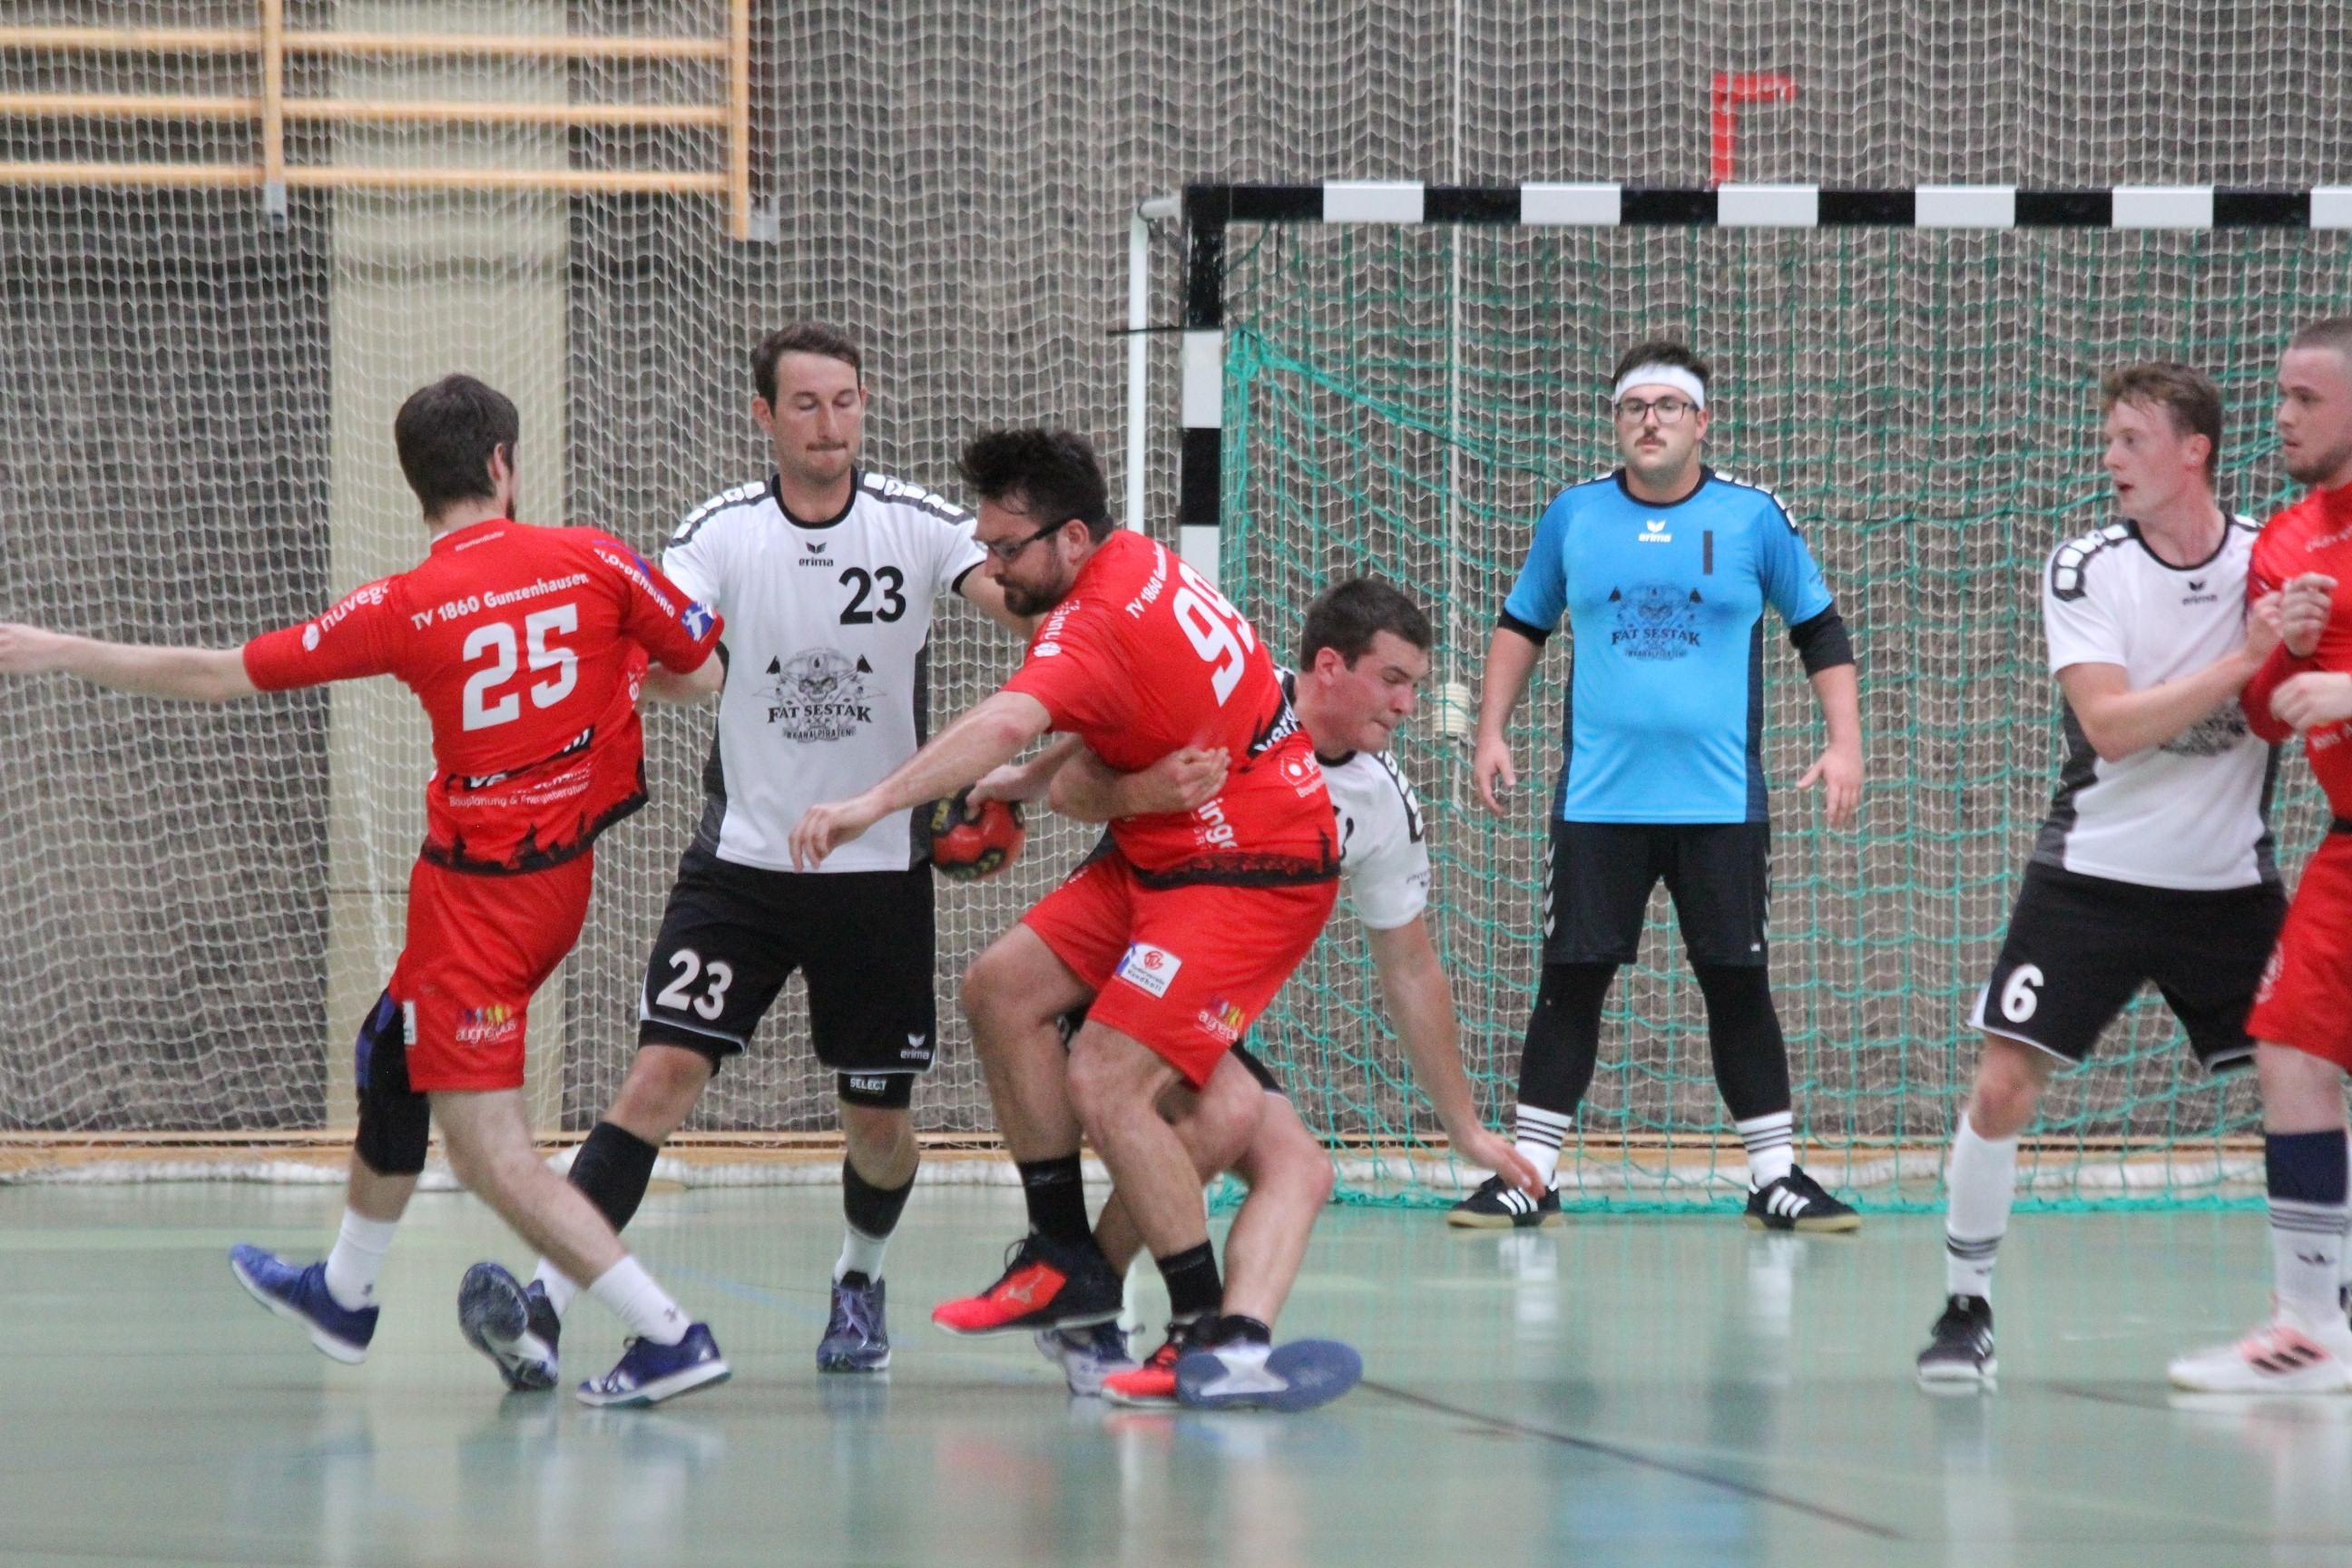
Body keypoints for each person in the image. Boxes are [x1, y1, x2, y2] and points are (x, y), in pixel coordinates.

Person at [0, 376, 729, 1406]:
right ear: (501, 464)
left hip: (485, 904)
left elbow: (215, 676)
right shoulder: (594, 556)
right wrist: (600, 676)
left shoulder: (402, 606)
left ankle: (668, 1334)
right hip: (553, 874)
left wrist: (59, 650)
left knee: (488, 1157)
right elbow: (703, 669)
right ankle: (344, 1293)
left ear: (416, 485)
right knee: (390, 1054)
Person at [458, 323, 1030, 1390]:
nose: (831, 425)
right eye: (807, 405)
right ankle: (543, 1303)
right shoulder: (719, 532)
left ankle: (859, 1282)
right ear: (764, 417)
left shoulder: (918, 526)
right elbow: (674, 647)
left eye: (847, 402)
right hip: (742, 870)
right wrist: (650, 669)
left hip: (875, 875)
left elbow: (1025, 608)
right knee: (657, 1078)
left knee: (879, 1121)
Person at [787, 427, 1344, 1402]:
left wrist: (872, 806)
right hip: (1168, 850)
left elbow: (1015, 721)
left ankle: (1209, 1333)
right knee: (999, 988)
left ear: (1074, 537)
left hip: (1248, 865)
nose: (993, 571)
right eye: (985, 547)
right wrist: (1035, 780)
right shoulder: (1136, 564)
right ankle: (1061, 1254)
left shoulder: (1090, 625)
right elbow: (1112, 739)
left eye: (1009, 551)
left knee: (1111, 1082)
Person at [995, 576, 1544, 1406]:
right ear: (1329, 666)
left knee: (1301, 1171)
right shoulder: (1231, 699)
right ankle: (1100, 1297)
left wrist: (1462, 1125)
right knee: (1223, 1116)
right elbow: (1084, 765)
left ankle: (1231, 1353)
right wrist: (1019, 781)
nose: (1405, 706)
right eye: (1392, 681)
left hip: (1206, 984)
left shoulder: (1381, 802)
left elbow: (1411, 968)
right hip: (1128, 954)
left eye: (1415, 688)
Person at [1913, 365, 2284, 1388]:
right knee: (2000, 1084)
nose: (2109, 458)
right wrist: (2242, 662)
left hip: (2231, 889)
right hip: (2091, 879)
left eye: (2130, 439)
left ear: (2192, 449)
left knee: (2309, 1088)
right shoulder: (2085, 567)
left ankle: (2313, 1306)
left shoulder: (2272, 558)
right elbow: (2111, 727)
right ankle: (1965, 1310)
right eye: (2108, 438)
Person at [1467, 338, 1864, 1232]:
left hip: (1721, 804)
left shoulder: (1755, 518)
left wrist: (1846, 742)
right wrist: (1490, 729)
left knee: (1737, 982)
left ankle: (1776, 1178)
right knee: (1570, 978)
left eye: (1669, 406)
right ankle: (1531, 1173)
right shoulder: (1573, 516)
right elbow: (1521, 622)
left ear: (1701, 422)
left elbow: (1821, 629)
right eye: (1634, 407)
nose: (1650, 421)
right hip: (1599, 803)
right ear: (1617, 423)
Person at [2171, 317, 2352, 1393]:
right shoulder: (2284, 538)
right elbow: (2268, 721)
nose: (2280, 416)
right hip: (2343, 847)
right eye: (2280, 394)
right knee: (2288, 1053)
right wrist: (2277, 648)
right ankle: (2309, 1327)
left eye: (2307, 399)